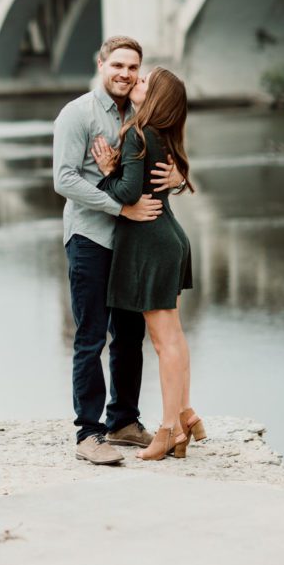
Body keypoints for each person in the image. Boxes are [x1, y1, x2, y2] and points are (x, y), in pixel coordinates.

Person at [53, 36, 183, 466]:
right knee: (90, 336)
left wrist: (179, 176)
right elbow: (64, 180)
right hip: (91, 238)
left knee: (129, 337)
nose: (126, 74)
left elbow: (164, 159)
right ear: (101, 63)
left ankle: (124, 421)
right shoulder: (77, 114)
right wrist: (120, 206)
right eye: (118, 65)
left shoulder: (143, 112)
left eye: (133, 67)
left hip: (133, 245)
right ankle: (89, 434)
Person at [91, 66, 205, 461]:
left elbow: (126, 193)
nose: (136, 81)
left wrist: (107, 173)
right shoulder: (161, 135)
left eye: (144, 81)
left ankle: (168, 429)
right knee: (173, 337)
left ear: (156, 97)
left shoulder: (139, 133)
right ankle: (185, 415)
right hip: (166, 237)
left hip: (151, 243)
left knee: (163, 341)